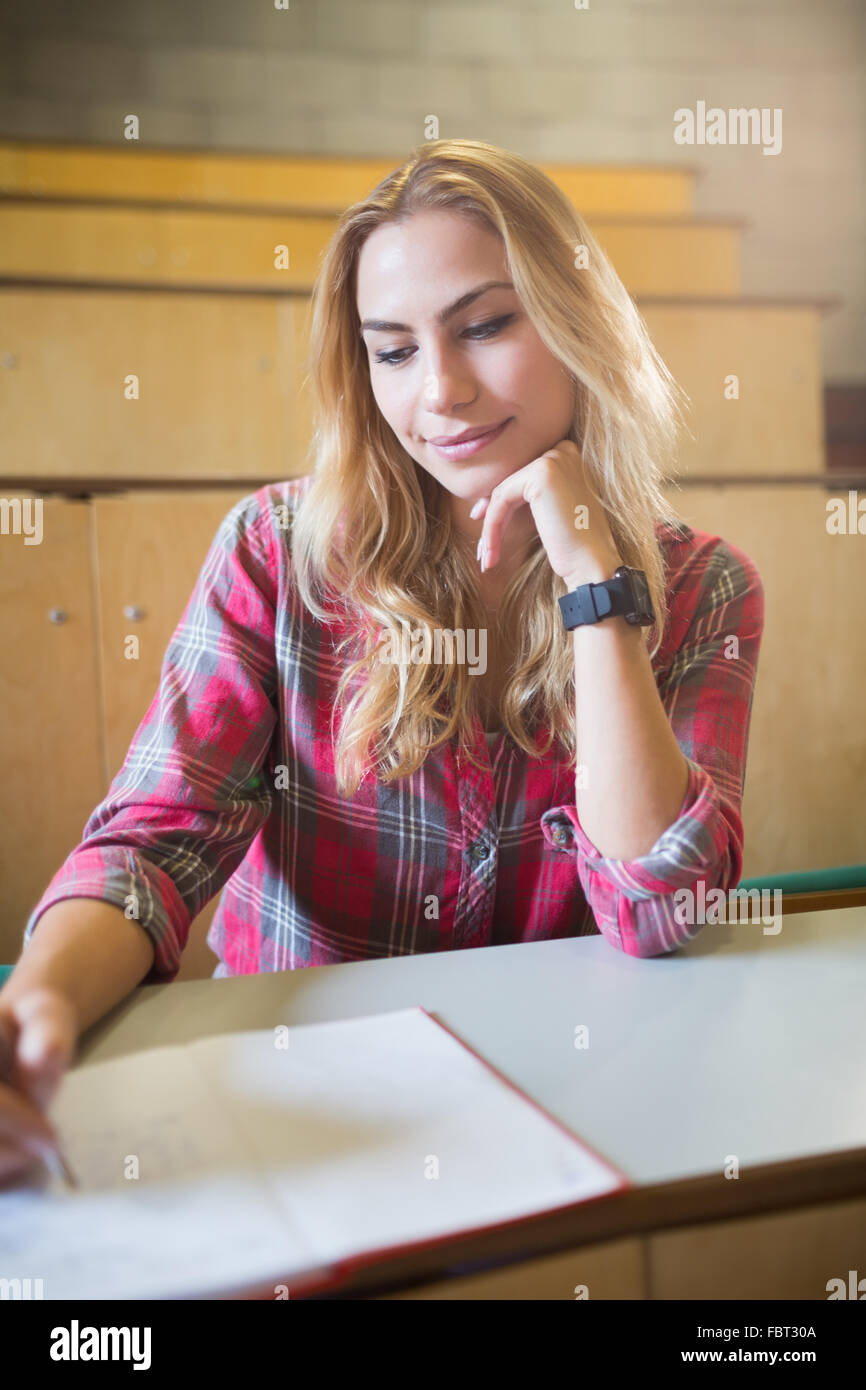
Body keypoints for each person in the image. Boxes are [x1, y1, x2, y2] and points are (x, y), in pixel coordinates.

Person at [0, 139, 764, 1182]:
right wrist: (38, 1000)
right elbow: (154, 842)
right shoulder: (279, 551)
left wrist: (594, 579)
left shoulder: (705, 589)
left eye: (487, 325)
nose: (439, 391)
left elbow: (655, 908)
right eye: (393, 349)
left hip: (567, 1111)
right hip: (305, 1117)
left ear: (576, 319)